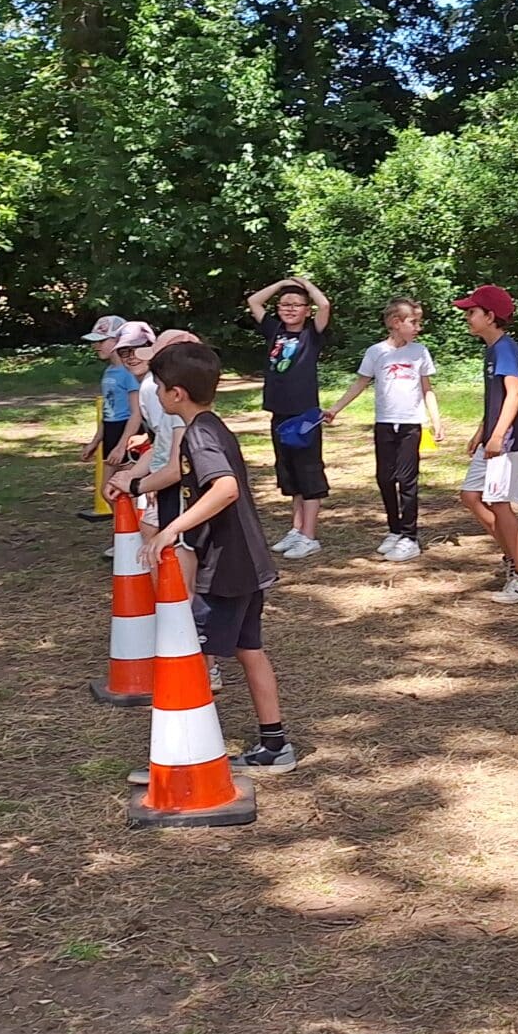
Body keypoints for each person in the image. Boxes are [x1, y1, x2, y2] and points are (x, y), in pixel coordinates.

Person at [139, 340, 295, 771]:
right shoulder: (208, 427)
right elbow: (182, 475)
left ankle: (190, 759)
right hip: (246, 562)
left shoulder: (201, 435)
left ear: (176, 394)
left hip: (227, 569)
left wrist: (171, 529)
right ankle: (275, 744)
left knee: (189, 657)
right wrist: (137, 486)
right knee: (249, 650)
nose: (154, 391)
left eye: (158, 385)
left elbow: (224, 488)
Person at [326, 297, 444, 562]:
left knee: (407, 480)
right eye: (413, 322)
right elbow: (360, 384)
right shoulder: (376, 352)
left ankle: (410, 537)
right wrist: (335, 408)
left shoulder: (420, 352)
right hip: (384, 424)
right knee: (385, 478)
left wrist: (436, 421)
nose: (418, 328)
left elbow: (427, 389)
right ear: (395, 322)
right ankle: (394, 529)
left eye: (419, 323)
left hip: (411, 424)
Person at [454, 284, 518, 604]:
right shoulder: (491, 349)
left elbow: (515, 395)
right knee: (470, 496)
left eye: (472, 312)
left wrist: (496, 437)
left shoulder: (505, 348)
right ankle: (516, 551)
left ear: (491, 317)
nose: (467, 317)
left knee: (499, 502)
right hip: (494, 439)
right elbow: (496, 398)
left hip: (509, 441)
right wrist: (482, 430)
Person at [247, 276, 332, 560]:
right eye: (285, 304)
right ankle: (297, 530)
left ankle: (309, 536)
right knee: (290, 474)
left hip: (304, 414)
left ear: (306, 310)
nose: (290, 309)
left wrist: (306, 285)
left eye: (297, 305)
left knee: (309, 475)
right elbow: (254, 301)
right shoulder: (274, 330)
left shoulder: (312, 333)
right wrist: (282, 283)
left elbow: (325, 304)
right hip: (279, 412)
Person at [114, 329, 199, 546]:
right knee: (154, 533)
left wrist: (148, 483)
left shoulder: (156, 390)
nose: (134, 357)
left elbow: (175, 451)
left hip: (175, 483)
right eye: (124, 352)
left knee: (163, 539)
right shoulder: (157, 388)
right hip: (166, 477)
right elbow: (163, 437)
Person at [80, 314, 141, 499]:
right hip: (111, 431)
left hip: (128, 433)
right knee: (108, 492)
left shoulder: (130, 371)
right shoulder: (109, 371)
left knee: (130, 493)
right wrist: (95, 441)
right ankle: (125, 528)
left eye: (102, 340)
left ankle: (139, 528)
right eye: (94, 341)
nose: (96, 346)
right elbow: (108, 411)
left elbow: (137, 412)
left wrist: (122, 445)